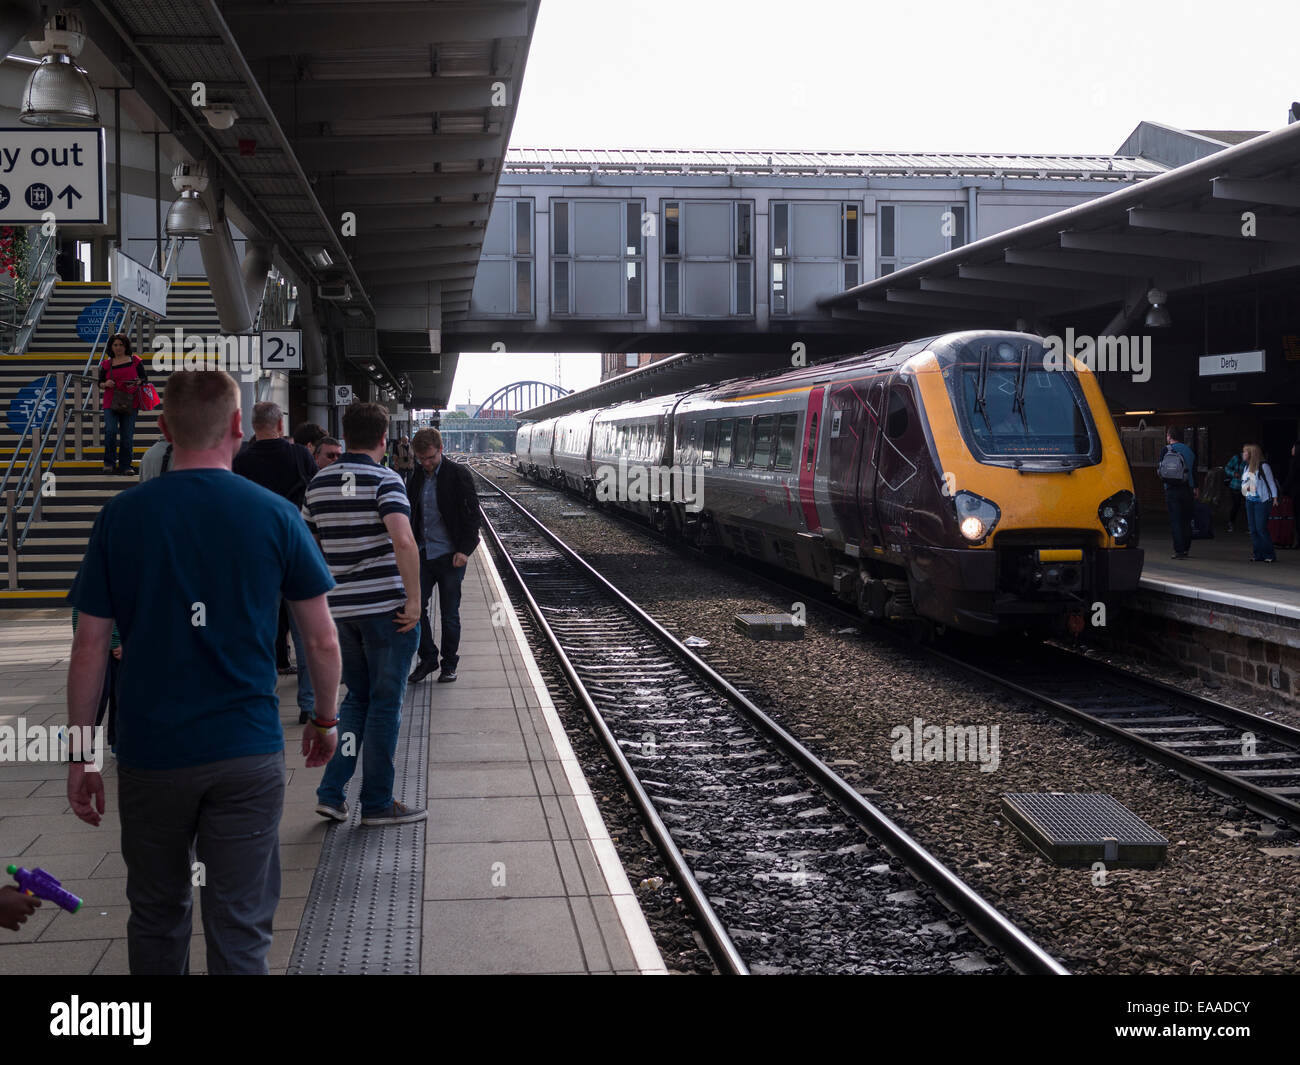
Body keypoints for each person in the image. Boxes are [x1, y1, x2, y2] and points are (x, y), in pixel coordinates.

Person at [65, 369, 341, 975]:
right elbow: (320, 638)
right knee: (240, 929)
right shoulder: (276, 515)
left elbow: (89, 648)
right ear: (239, 427)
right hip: (246, 751)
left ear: (163, 430)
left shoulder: (121, 516)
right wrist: (324, 719)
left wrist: (82, 755)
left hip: (151, 754)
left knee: (157, 917)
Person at [303, 402, 425, 826]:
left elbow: (310, 549)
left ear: (344, 434)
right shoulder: (385, 479)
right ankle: (376, 803)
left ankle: (332, 793)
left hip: (342, 611)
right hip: (385, 612)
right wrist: (413, 601)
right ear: (382, 439)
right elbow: (404, 541)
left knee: (357, 699)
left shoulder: (317, 485)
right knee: (385, 705)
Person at [233, 402, 321, 724]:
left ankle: (265, 698)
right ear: (280, 425)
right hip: (297, 553)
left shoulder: (241, 461)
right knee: (305, 635)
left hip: (258, 559)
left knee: (264, 632)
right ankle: (308, 704)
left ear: (253, 425)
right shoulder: (300, 456)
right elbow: (317, 497)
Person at [406, 427, 481, 685]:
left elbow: (473, 517)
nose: (426, 464)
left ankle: (449, 664)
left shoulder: (458, 475)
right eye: (421, 459)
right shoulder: (415, 477)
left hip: (451, 556)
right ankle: (428, 657)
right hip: (423, 555)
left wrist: (465, 550)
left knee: (449, 613)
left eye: (430, 458)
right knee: (414, 609)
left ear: (440, 450)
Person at [99, 333, 148, 476]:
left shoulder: (135, 361)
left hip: (130, 401)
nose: (118, 348)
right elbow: (99, 382)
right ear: (111, 347)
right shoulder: (107, 364)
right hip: (111, 401)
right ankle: (109, 463)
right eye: (115, 345)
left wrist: (139, 381)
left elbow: (144, 378)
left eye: (121, 345)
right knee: (110, 431)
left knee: (127, 435)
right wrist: (105, 384)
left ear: (126, 346)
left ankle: (126, 465)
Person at [1157, 427, 1196, 559]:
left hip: (1171, 489)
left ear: (1169, 436)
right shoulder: (1189, 451)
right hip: (1187, 489)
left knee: (1176, 520)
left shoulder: (1165, 450)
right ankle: (1186, 548)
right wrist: (1195, 487)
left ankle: (1178, 550)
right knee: (1186, 520)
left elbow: (1160, 469)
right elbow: (1193, 472)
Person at [1240, 443, 1278, 563]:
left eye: (1245, 452)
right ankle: (1258, 554)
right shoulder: (1246, 467)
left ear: (1251, 454)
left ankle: (1269, 554)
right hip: (1250, 500)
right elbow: (1246, 484)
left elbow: (1271, 482)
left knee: (1261, 528)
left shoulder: (1263, 466)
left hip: (1262, 501)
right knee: (1253, 529)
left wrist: (1275, 498)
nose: (1243, 454)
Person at [1223, 449, 1245, 533]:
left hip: (1248, 486)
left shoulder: (1252, 459)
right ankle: (1231, 523)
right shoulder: (1237, 458)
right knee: (1236, 505)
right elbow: (1227, 468)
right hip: (1236, 485)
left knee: (1249, 505)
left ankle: (1251, 526)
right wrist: (1233, 473)